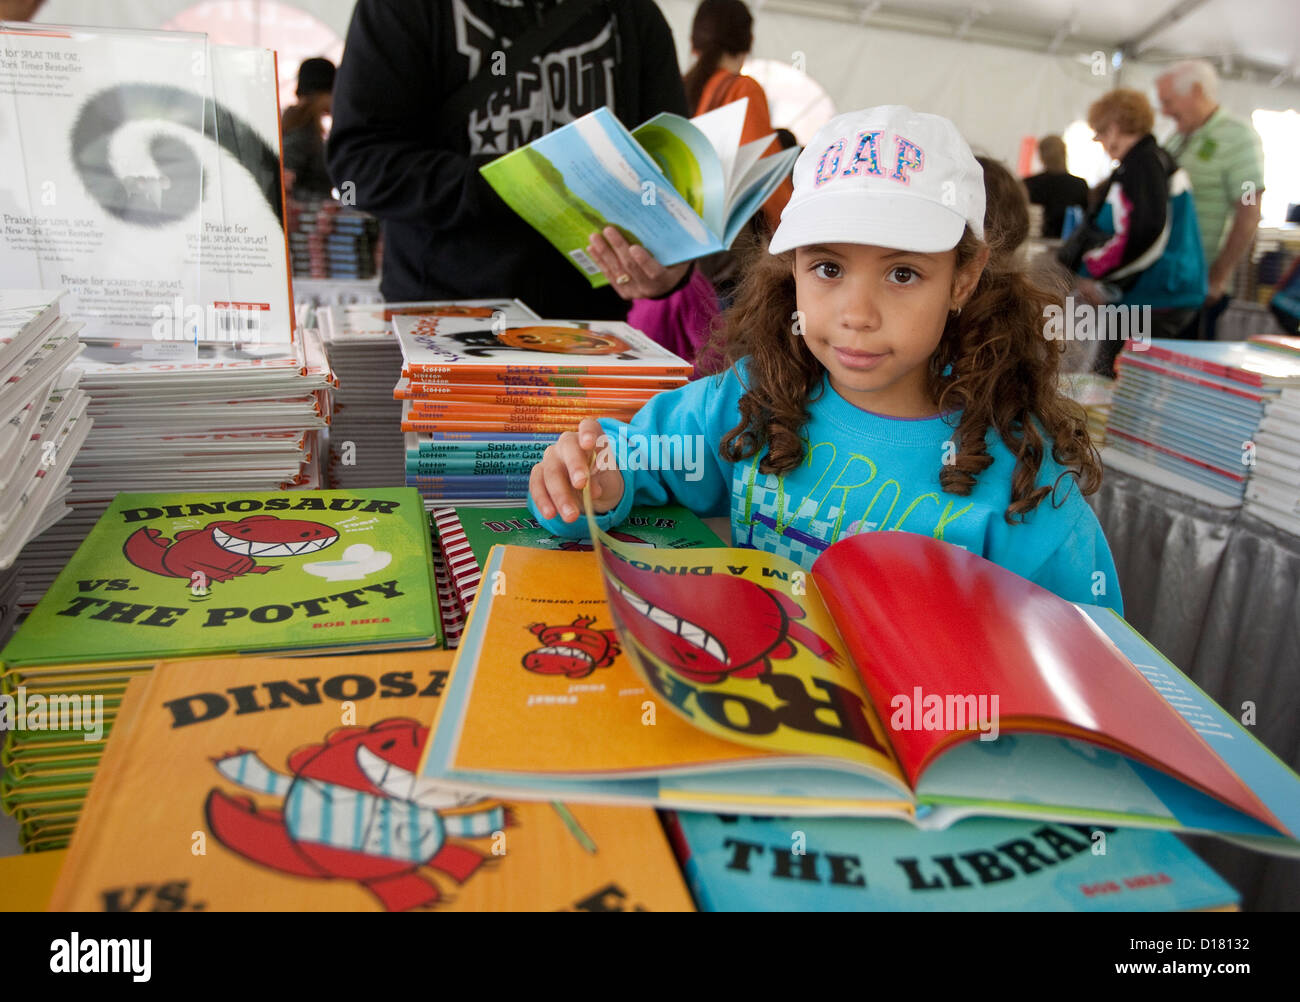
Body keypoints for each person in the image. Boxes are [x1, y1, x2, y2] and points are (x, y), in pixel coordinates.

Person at [527, 105, 1123, 612]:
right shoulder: (750, 401)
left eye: (903, 272)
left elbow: (1095, 671)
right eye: (828, 268)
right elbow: (623, 461)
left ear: (964, 278)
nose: (856, 314)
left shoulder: (1029, 483)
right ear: (793, 271)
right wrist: (587, 479)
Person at [327, 0, 693, 319]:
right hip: (442, 325)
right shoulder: (406, 9)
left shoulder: (633, 16)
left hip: (591, 336)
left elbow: (668, 174)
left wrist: (673, 264)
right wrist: (508, 183)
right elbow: (357, 170)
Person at [1072, 89, 1205, 376]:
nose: (1103, 143)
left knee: (1117, 386)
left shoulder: (1142, 165)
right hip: (1158, 295)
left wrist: (1098, 279)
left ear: (1115, 127)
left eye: (1100, 133)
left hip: (1153, 298)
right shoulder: (1150, 160)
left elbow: (1144, 234)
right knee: (1126, 384)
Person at [1157, 60, 1266, 340]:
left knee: (1183, 371)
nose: (1165, 111)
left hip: (1200, 288)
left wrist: (1217, 277)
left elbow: (1249, 210)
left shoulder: (1239, 138)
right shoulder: (1177, 139)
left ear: (1195, 91)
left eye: (1169, 102)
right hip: (1166, 283)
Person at [683, 0, 793, 234]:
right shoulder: (742, 90)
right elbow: (765, 172)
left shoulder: (679, 87)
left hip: (680, 229)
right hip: (721, 241)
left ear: (693, 43)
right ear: (749, 41)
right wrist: (794, 230)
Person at [281, 57, 336, 201]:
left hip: (310, 219)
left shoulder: (294, 126)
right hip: (308, 220)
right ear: (324, 94)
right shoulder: (303, 133)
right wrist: (346, 205)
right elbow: (284, 186)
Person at [1023, 136, 1089, 239]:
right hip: (1068, 245)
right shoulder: (1079, 185)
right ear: (1064, 153)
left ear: (1041, 156)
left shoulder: (1029, 184)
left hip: (1036, 243)